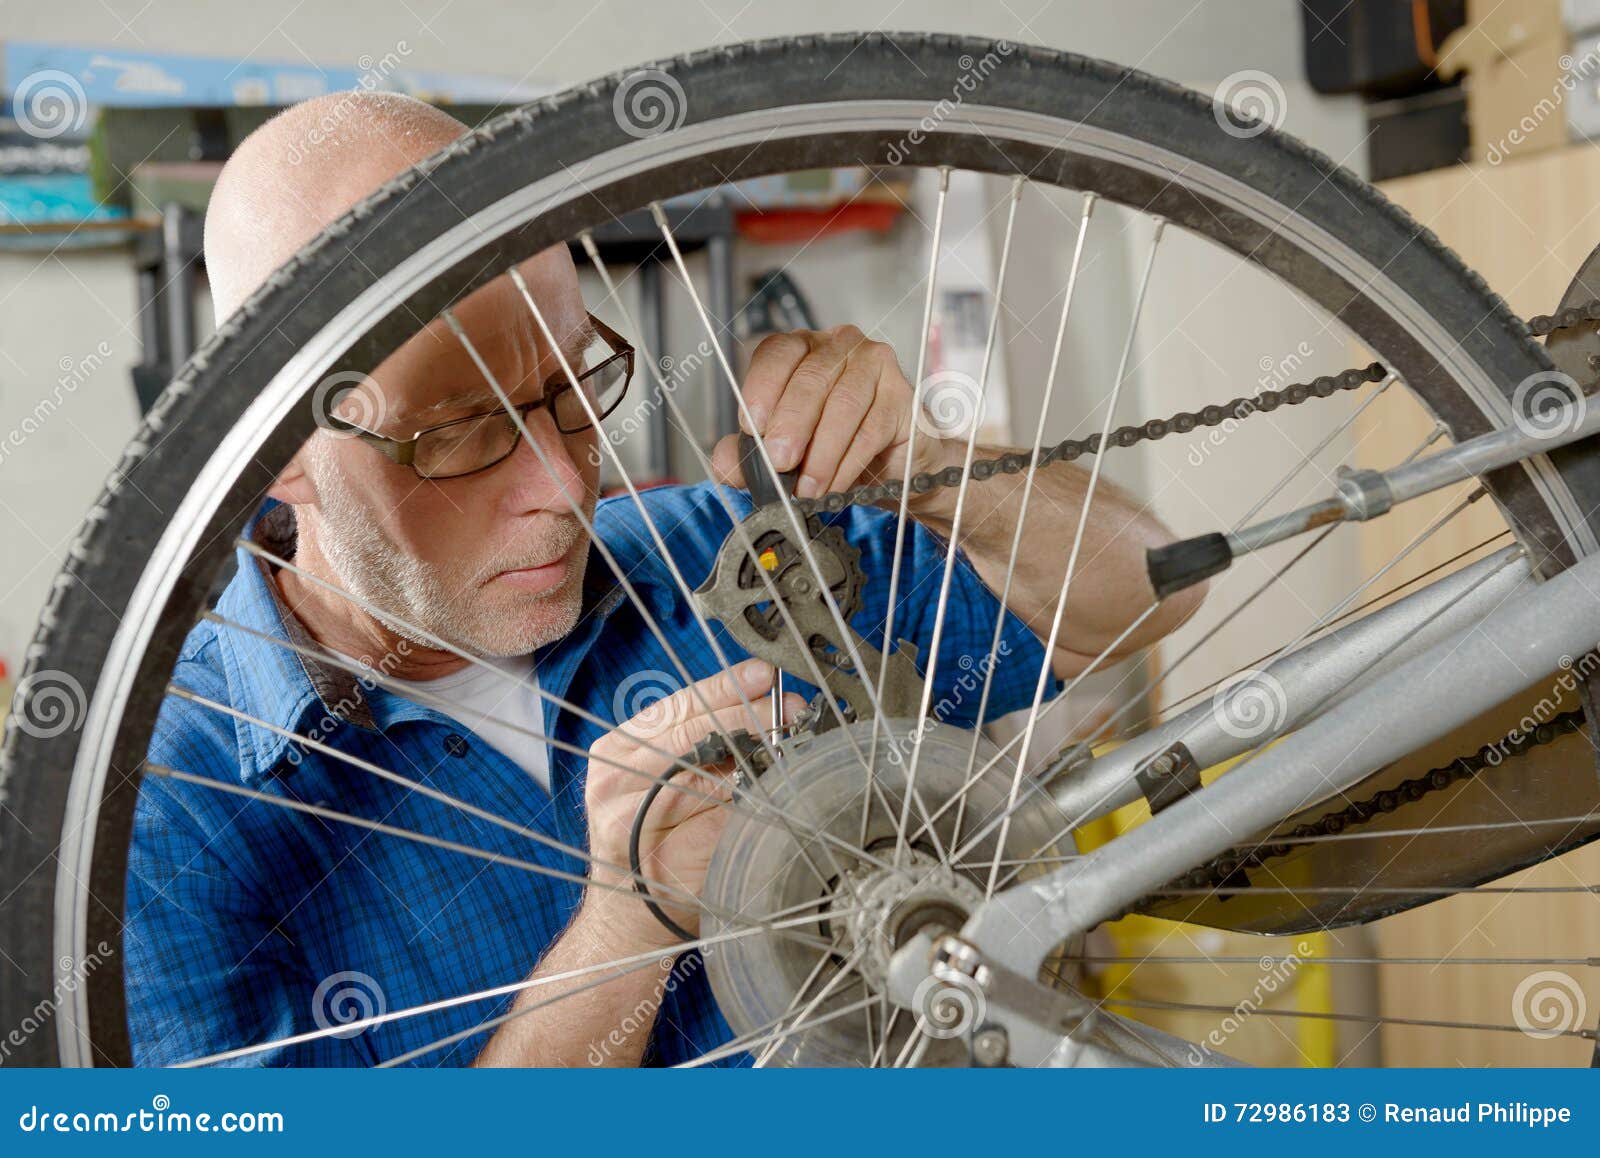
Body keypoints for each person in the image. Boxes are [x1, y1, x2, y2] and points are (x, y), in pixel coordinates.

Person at [125, 91, 1202, 1067]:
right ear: (271, 453)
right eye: (457, 434)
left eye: (572, 385)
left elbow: (1150, 593)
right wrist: (625, 929)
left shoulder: (721, 559)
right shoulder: (156, 832)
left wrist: (929, 472)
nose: (560, 485)